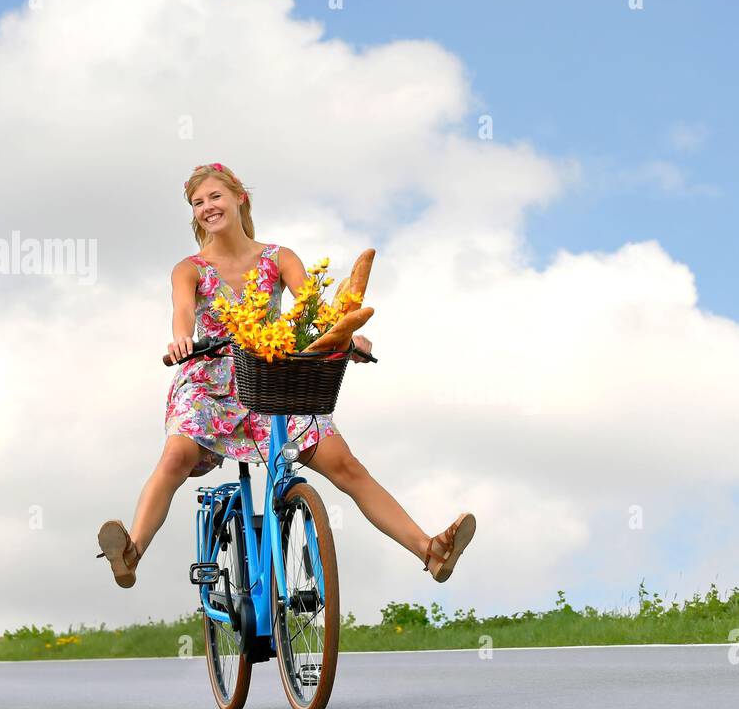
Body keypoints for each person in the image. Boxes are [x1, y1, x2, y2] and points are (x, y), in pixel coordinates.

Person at [95, 162, 475, 589]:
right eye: (198, 203)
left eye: (215, 197)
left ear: (240, 198)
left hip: (273, 376)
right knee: (176, 457)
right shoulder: (190, 268)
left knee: (346, 465)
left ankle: (431, 549)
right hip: (210, 381)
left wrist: (350, 340)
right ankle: (131, 552)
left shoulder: (280, 258)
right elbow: (182, 312)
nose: (207, 207)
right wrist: (181, 340)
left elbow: (318, 314)